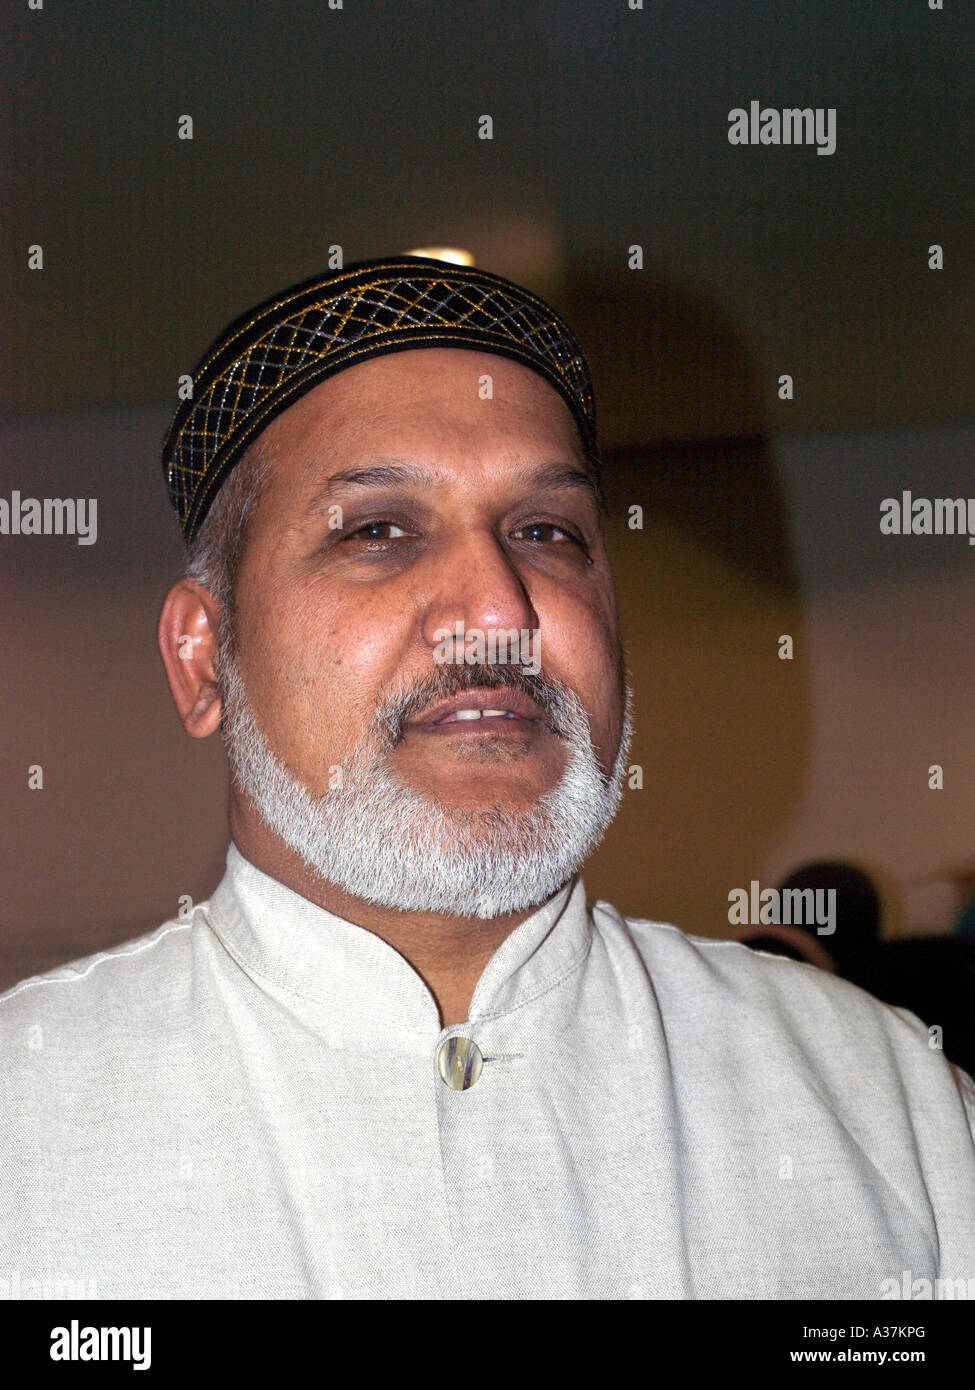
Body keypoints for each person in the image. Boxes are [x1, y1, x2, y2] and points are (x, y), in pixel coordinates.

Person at [2, 256, 973, 1300]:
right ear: (204, 661)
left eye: (547, 533)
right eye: (379, 531)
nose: (500, 611)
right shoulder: (30, 1120)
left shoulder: (891, 1106)